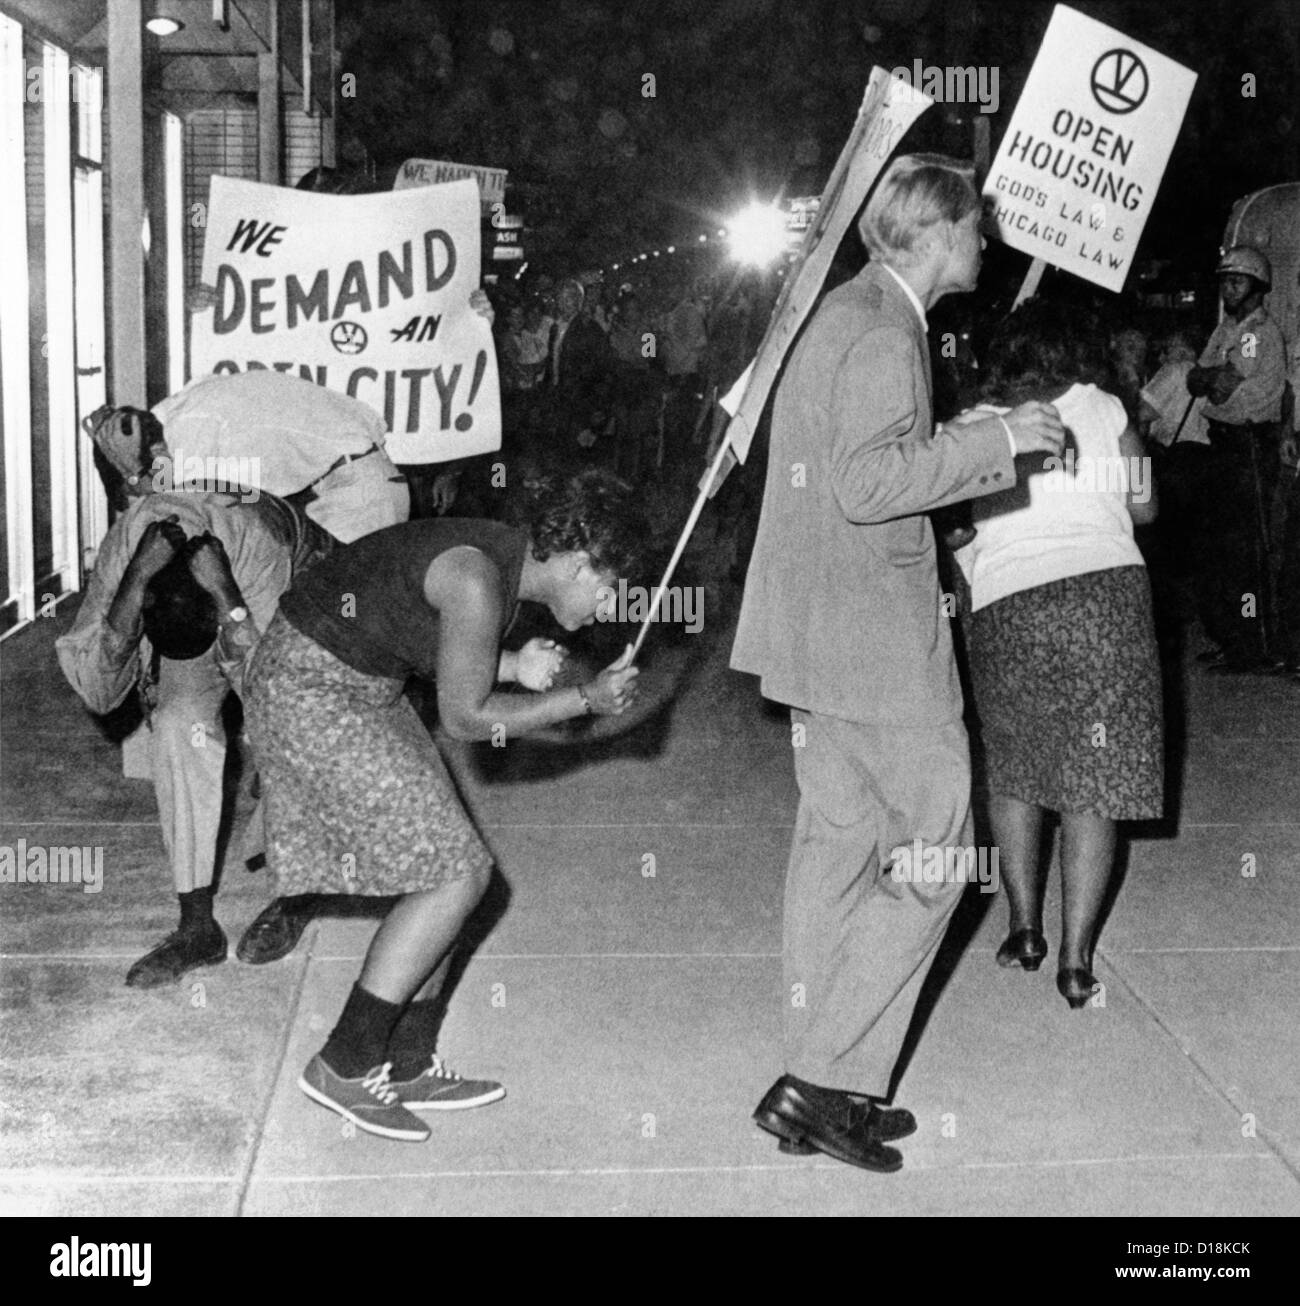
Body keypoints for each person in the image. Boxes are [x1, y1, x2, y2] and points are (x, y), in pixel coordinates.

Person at [731, 154, 1065, 1173]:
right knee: (938, 856)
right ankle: (821, 1075)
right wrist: (999, 437)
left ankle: (826, 1079)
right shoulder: (885, 332)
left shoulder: (849, 309)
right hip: (875, 647)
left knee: (836, 852)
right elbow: (870, 485)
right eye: (975, 228)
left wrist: (957, 438)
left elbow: (856, 461)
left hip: (815, 639)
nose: (986, 241)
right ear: (936, 233)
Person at [242, 469, 647, 1141]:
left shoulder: (499, 560)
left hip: (362, 681)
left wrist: (512, 665)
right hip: (305, 686)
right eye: (610, 590)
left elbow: (415, 621)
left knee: (460, 865)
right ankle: (344, 1063)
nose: (611, 608)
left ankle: (407, 1062)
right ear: (578, 564)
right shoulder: (478, 577)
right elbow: (465, 718)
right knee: (454, 876)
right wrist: (584, 701)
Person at [56, 410, 332, 987]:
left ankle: (299, 892)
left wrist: (228, 598)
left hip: (268, 597)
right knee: (182, 723)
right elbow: (100, 692)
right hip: (186, 600)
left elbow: (279, 695)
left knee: (301, 736)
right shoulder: (128, 547)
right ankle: (196, 927)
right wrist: (135, 583)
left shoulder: (260, 550)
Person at [953, 298, 1163, 1008]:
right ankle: (1077, 960)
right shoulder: (1102, 407)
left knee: (1013, 769)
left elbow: (952, 536)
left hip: (1011, 605)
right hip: (1106, 604)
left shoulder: (974, 430)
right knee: (1093, 780)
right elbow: (1143, 507)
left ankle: (1024, 928)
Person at [147, 370, 410, 544]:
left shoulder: (188, 422)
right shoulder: (195, 400)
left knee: (342, 604)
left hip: (358, 491)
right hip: (358, 481)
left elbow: (187, 510)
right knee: (329, 603)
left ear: (155, 450)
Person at [1185, 245, 1287, 672]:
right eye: (1226, 279)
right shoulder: (1228, 330)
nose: (1229, 286)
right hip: (1224, 443)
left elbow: (1219, 386)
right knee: (1223, 551)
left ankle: (1256, 644)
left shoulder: (1253, 333)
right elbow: (1194, 382)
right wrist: (1207, 377)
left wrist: (1207, 377)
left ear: (1258, 287)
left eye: (1238, 280)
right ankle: (1233, 640)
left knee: (1248, 553)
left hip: (1248, 444)